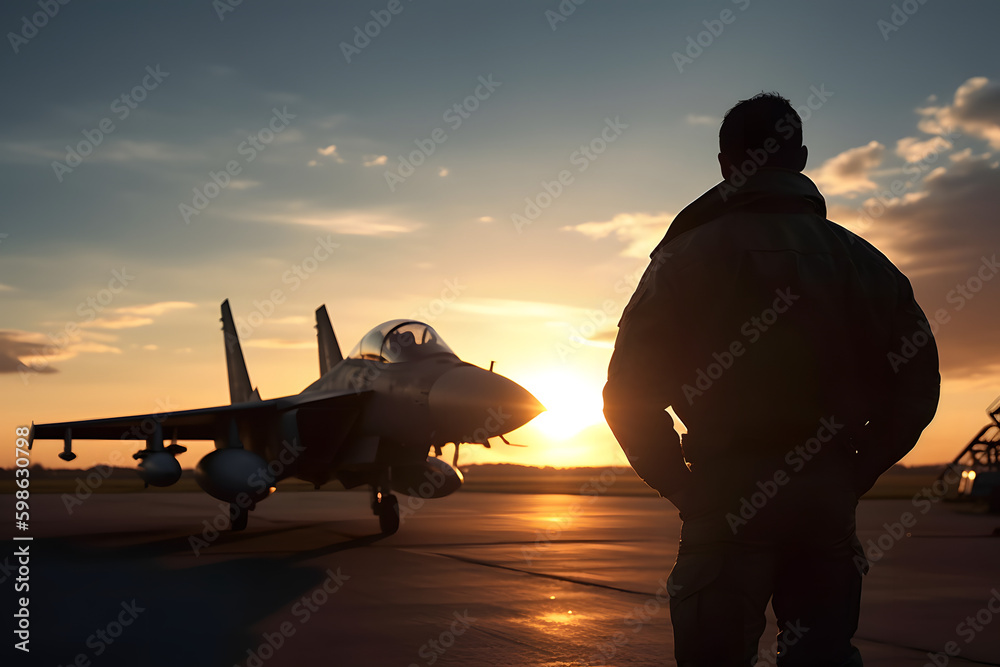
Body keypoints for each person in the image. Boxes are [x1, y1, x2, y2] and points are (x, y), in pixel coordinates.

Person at [603, 92, 940, 666]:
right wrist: (855, 470)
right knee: (823, 655)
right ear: (802, 157)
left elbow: (627, 396)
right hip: (825, 494)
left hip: (727, 493)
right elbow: (917, 388)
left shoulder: (683, 259)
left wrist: (682, 488)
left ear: (724, 164)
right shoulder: (868, 263)